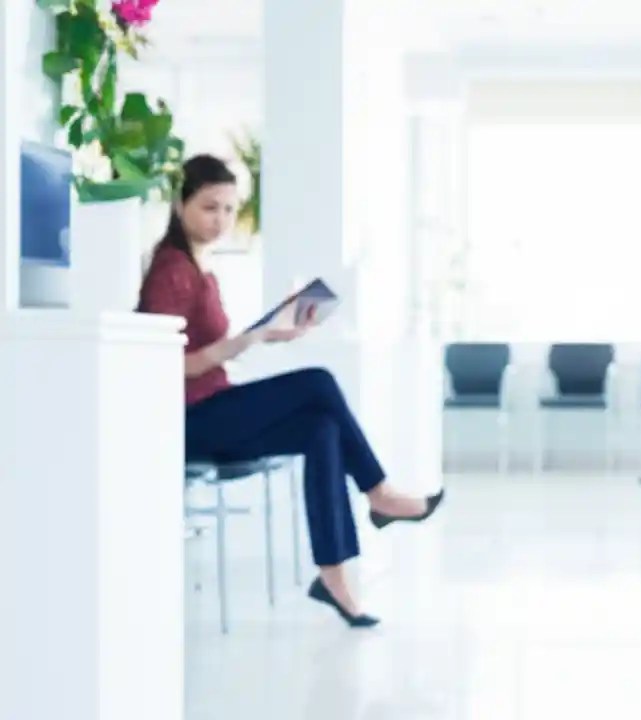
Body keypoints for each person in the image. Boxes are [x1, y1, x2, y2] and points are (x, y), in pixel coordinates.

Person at [139, 154, 444, 628]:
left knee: (320, 428)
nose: (220, 220)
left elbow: (211, 351)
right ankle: (379, 493)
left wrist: (270, 330)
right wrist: (252, 338)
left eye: (227, 209)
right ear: (180, 206)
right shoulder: (170, 269)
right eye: (208, 207)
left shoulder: (203, 269)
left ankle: (334, 577)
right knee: (318, 383)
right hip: (190, 420)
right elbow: (168, 365)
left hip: (214, 407)